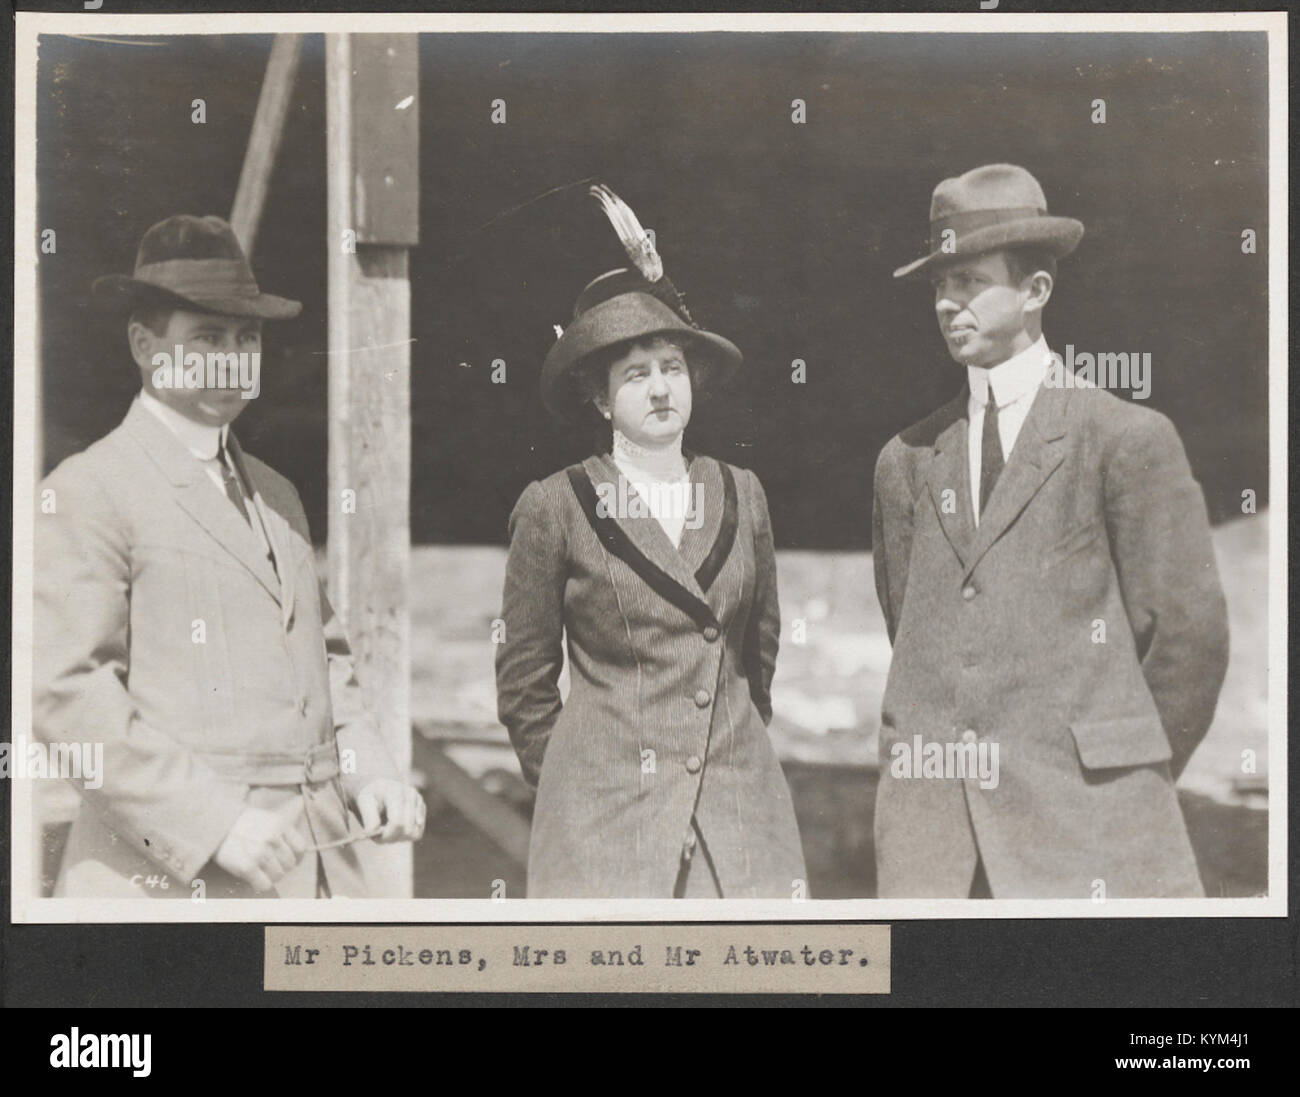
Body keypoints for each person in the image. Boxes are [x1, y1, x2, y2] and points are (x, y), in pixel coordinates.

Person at [34, 214, 424, 898]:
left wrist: (370, 774)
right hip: (165, 885)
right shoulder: (88, 489)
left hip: (307, 870)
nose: (234, 358)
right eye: (208, 337)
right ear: (144, 345)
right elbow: (66, 694)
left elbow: (326, 666)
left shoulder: (276, 494)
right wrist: (214, 824)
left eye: (248, 338)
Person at [872, 164, 1229, 898]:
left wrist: (1121, 774)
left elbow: (1189, 640)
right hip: (941, 857)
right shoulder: (905, 460)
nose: (947, 303)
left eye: (970, 281)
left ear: (1035, 291)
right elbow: (916, 627)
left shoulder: (1125, 439)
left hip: (1092, 838)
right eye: (939, 285)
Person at [495, 268, 806, 898]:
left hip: (737, 815)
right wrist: (577, 789)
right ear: (602, 399)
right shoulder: (557, 505)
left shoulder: (742, 492)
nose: (661, 388)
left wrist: (723, 758)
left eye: (673, 367)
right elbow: (524, 681)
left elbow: (757, 655)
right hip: (606, 825)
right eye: (636, 375)